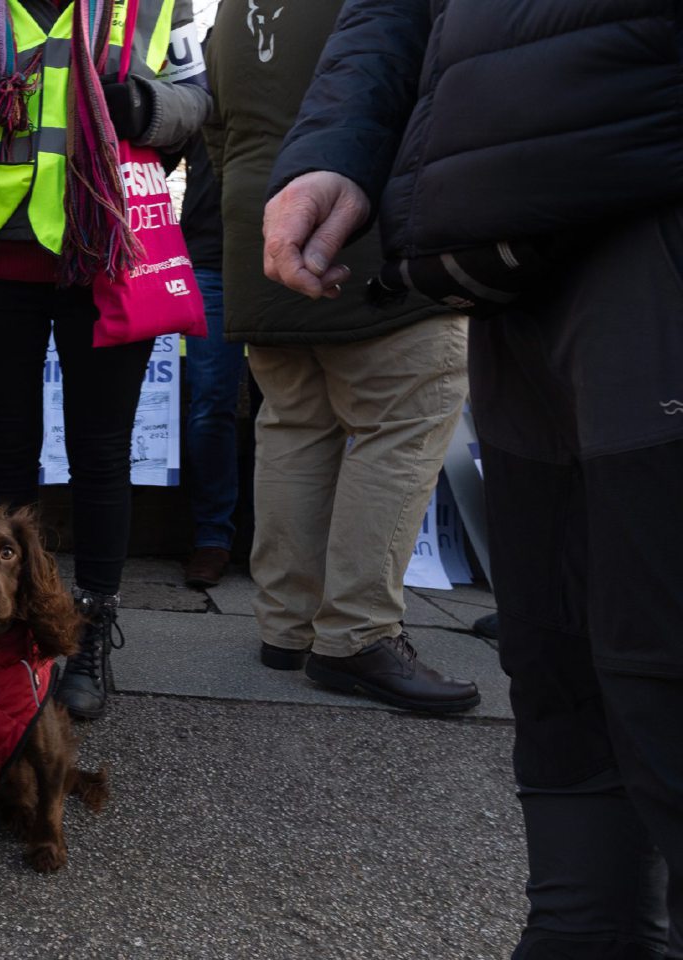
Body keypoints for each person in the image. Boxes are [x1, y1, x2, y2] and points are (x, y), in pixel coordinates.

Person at [262, 0, 683, 953]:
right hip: (508, 244)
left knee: (662, 663)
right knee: (557, 665)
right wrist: (335, 144)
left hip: (641, 197)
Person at [0, 0, 210, 720]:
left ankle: (88, 634)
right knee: (6, 457)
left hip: (107, 252)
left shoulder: (162, 4)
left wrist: (145, 104)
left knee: (101, 452)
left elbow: (201, 103)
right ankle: (15, 632)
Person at [202, 0, 478, 714]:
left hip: (256, 223)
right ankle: (357, 635)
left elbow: (215, 119)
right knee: (403, 421)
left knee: (295, 423)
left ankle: (286, 626)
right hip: (359, 227)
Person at [177, 139, 243, 590]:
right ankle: (212, 538)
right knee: (209, 405)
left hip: (283, 239)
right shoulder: (195, 67)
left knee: (290, 406)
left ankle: (276, 540)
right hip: (208, 252)